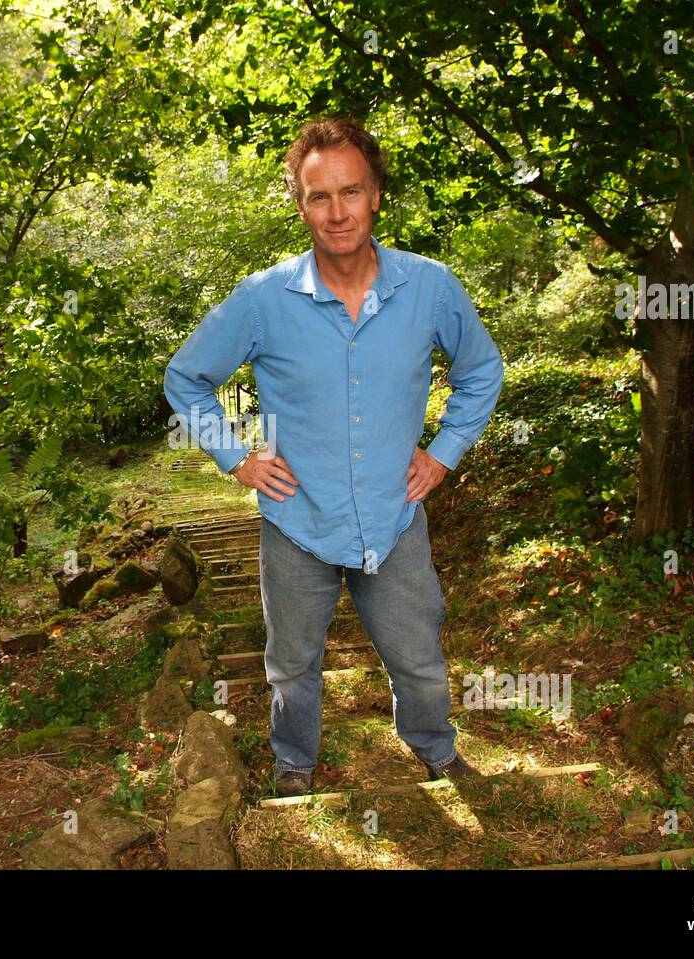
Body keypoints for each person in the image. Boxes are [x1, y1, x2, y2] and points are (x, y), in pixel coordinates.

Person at [163, 116, 505, 797]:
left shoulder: (430, 287)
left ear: (375, 193)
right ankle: (295, 763)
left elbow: (483, 369)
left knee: (419, 658)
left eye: (351, 191)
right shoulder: (263, 298)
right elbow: (186, 377)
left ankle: (436, 748)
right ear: (300, 204)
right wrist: (237, 458)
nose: (337, 211)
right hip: (298, 519)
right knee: (291, 663)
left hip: (394, 515)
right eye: (319, 196)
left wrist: (442, 454)